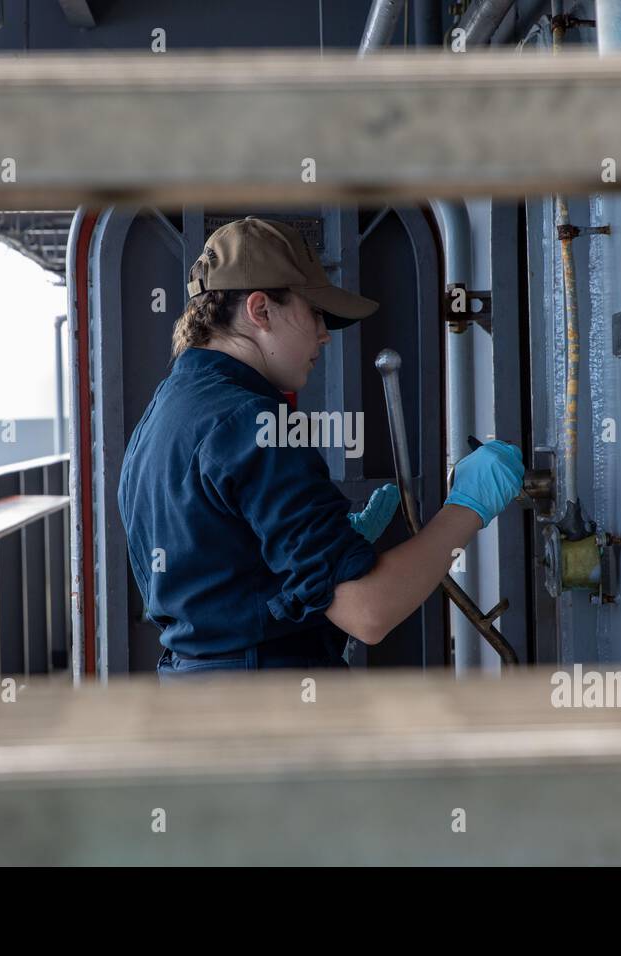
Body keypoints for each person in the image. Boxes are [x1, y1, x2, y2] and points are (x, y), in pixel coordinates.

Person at [117, 217, 524, 682]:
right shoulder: (252, 424)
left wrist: (318, 556)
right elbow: (369, 612)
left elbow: (218, 575)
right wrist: (468, 506)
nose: (325, 335)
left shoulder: (163, 413)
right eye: (315, 313)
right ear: (260, 310)